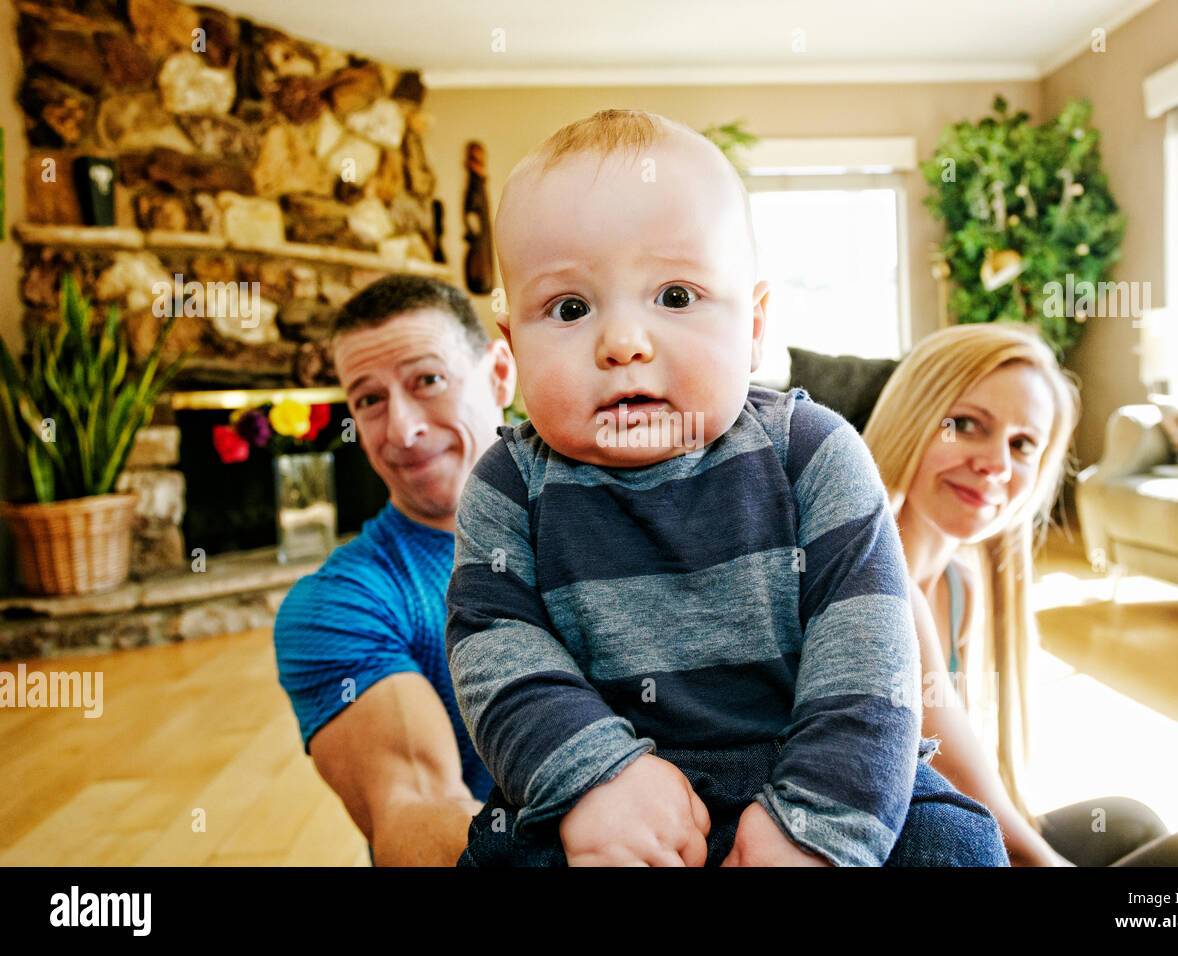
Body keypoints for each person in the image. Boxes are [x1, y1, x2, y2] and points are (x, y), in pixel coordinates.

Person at [445, 108, 1008, 867]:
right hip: (603, 787)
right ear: (512, 347)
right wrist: (591, 779)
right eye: (570, 309)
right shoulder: (508, 485)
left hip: (815, 762)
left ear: (753, 327)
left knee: (955, 844)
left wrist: (818, 826)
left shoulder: (812, 454)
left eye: (675, 297)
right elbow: (495, 651)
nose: (623, 343)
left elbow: (869, 654)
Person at [863, 322, 1178, 866]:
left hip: (952, 835)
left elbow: (974, 797)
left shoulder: (962, 586)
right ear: (914, 417)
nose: (996, 464)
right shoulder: (872, 584)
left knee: (1129, 821)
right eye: (968, 425)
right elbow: (976, 808)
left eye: (1022, 444)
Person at [273, 275, 517, 866]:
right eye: (369, 400)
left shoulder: (618, 513)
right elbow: (414, 804)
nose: (402, 430)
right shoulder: (337, 606)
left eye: (427, 380)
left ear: (500, 373)